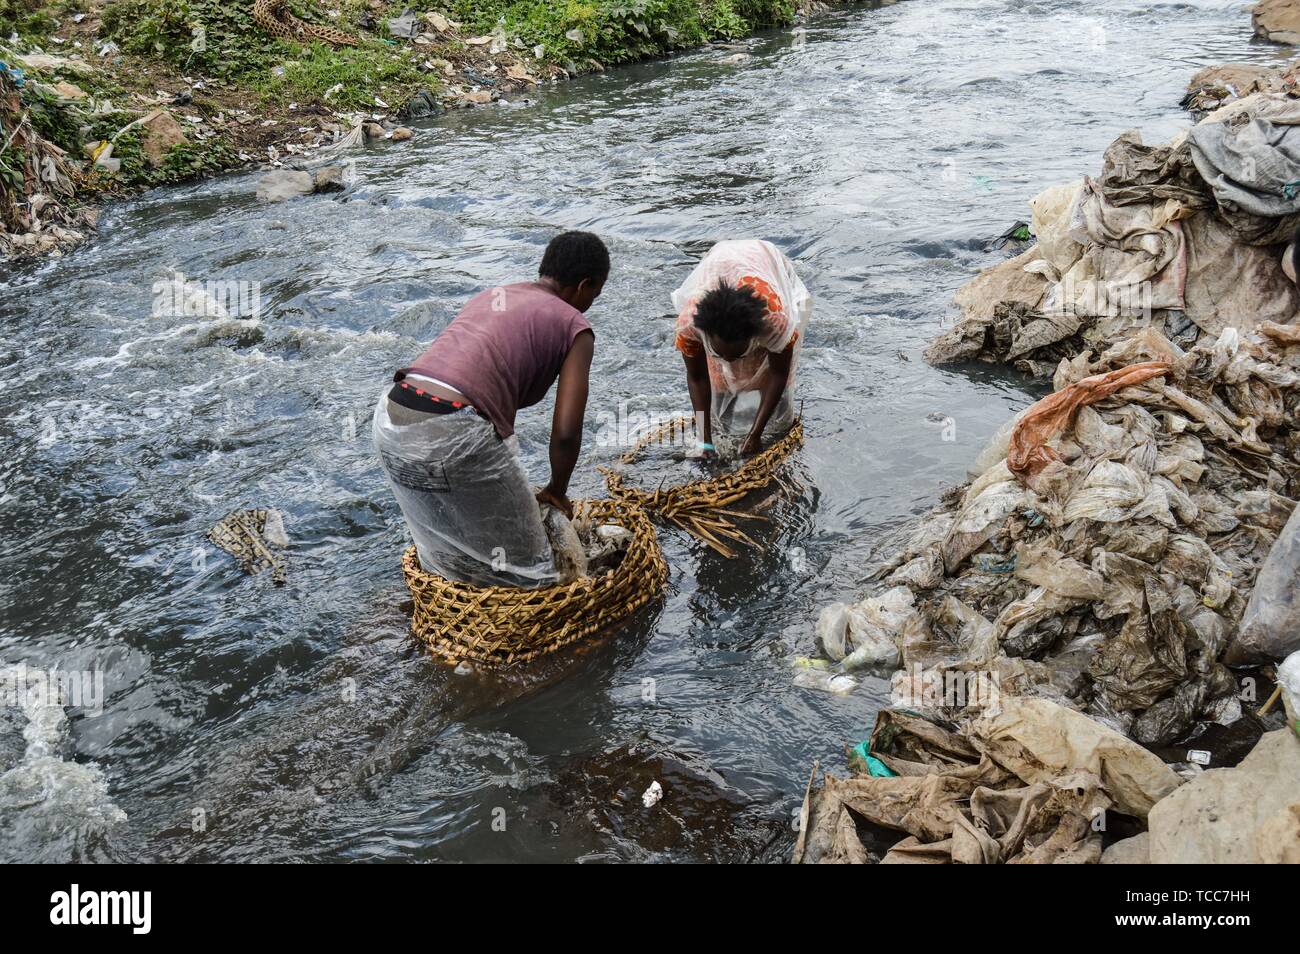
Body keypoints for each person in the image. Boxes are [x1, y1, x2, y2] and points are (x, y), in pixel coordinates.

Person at [373, 231, 607, 587]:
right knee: (534, 571)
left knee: (449, 557)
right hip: (454, 425)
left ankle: (427, 611)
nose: (590, 303)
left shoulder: (495, 295)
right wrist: (557, 491)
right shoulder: (575, 326)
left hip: (393, 415)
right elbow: (566, 430)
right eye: (595, 294)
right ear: (584, 285)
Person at [672, 239, 811, 457]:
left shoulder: (775, 320)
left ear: (754, 336)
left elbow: (779, 373)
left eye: (737, 354)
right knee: (720, 380)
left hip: (765, 260)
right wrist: (705, 441)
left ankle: (768, 430)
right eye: (719, 353)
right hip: (720, 261)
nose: (728, 360)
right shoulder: (689, 325)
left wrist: (756, 434)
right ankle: (719, 433)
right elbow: (697, 378)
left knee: (774, 394)